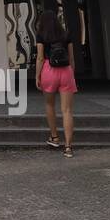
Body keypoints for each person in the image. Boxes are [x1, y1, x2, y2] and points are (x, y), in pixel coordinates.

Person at [35, 9, 77, 156]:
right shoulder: (66, 34)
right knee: (67, 110)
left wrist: (37, 76)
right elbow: (71, 58)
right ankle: (68, 147)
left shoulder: (41, 35)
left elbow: (40, 58)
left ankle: (54, 137)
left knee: (49, 104)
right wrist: (72, 73)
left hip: (49, 69)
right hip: (66, 71)